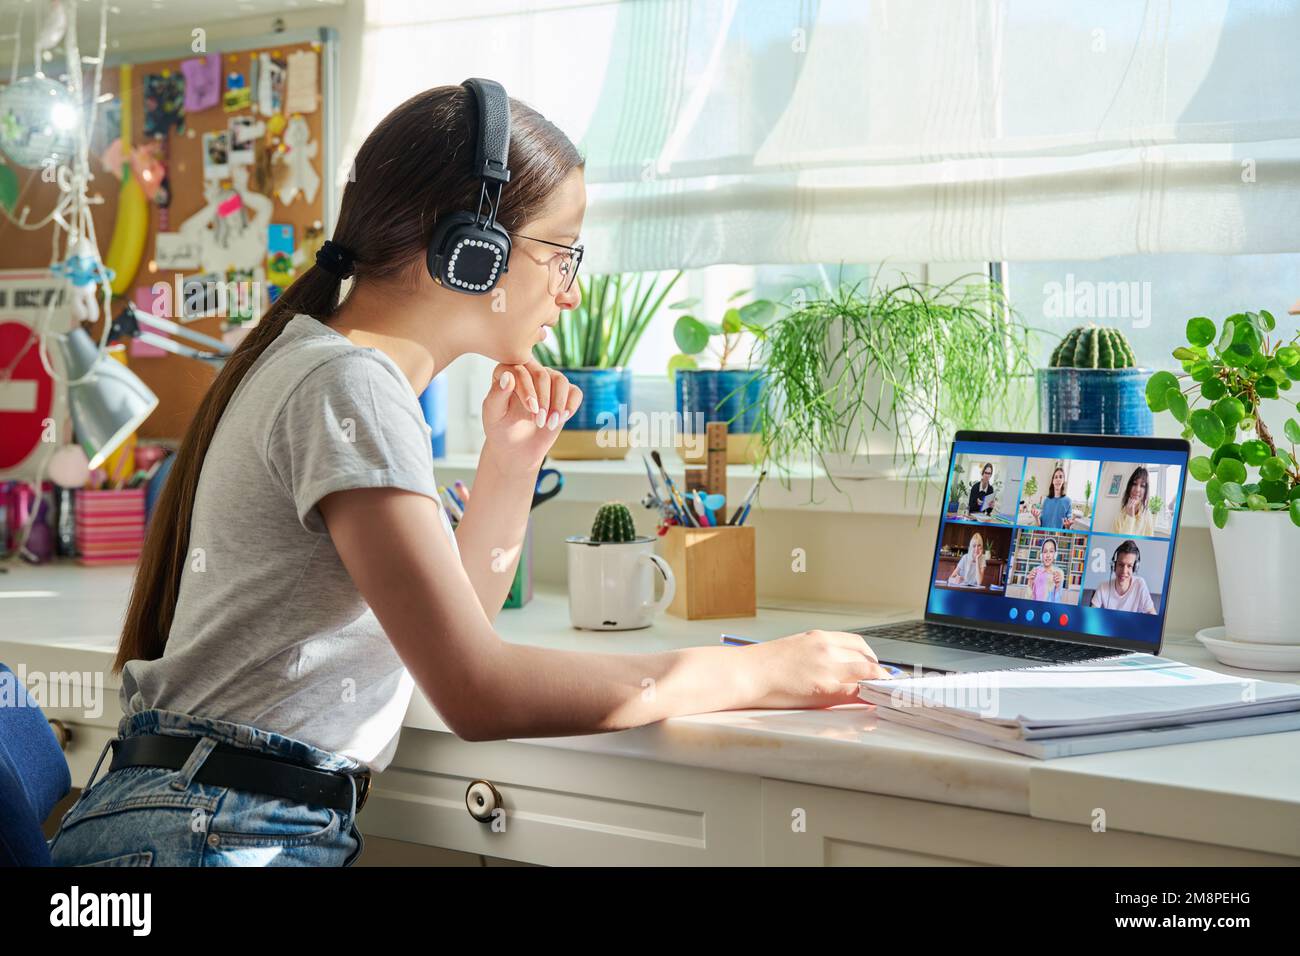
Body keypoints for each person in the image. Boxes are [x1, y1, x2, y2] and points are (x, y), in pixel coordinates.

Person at [48, 83, 887, 868]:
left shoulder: (320, 363)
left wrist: (510, 464)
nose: (569, 293)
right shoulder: (347, 385)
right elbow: (476, 692)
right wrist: (756, 672)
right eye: (563, 252)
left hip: (195, 819)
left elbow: (451, 637)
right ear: (470, 249)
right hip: (220, 834)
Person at [1089, 540, 1157, 614]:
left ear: (1134, 568)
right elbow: (1090, 615)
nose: (1124, 571)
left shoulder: (1140, 584)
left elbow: (1152, 614)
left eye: (1129, 566)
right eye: (1121, 565)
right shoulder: (1103, 587)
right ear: (1114, 566)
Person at [1112, 466, 1155, 536]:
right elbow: (1122, 544)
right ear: (1129, 487)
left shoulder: (1147, 515)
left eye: (1142, 486)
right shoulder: (1119, 516)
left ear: (1146, 491)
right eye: (1134, 484)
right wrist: (1130, 517)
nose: (1137, 489)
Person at [1031, 465, 1074, 529]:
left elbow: (1067, 527)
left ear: (1063, 481)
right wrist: (1036, 517)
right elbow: (1039, 525)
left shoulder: (1068, 501)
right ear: (1053, 481)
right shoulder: (1046, 500)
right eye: (1056, 477)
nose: (1058, 479)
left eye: (1060, 477)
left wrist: (1068, 526)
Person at [1025, 537, 1065, 602]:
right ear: (1041, 555)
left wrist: (1058, 587)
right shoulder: (1035, 571)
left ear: (1055, 555)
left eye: (1051, 551)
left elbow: (1058, 602)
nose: (1048, 555)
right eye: (1045, 551)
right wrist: (1030, 583)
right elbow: (1027, 599)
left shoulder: (1059, 572)